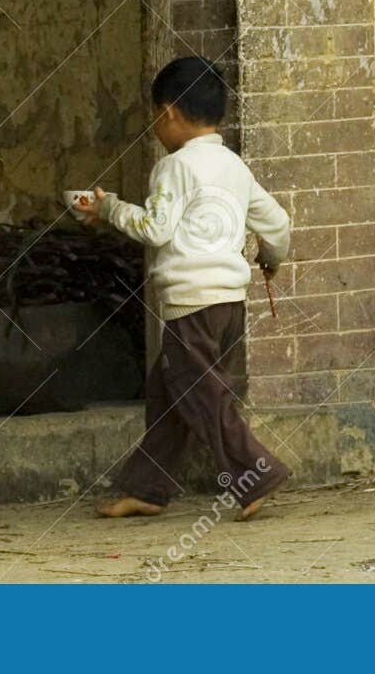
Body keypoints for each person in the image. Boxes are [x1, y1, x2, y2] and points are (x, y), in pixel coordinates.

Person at [72, 56, 292, 521]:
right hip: (229, 305)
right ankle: (148, 489)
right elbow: (277, 224)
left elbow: (155, 228)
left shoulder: (174, 168)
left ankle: (255, 473)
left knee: (202, 395)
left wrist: (110, 208)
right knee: (169, 394)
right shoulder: (234, 167)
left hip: (191, 306)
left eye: (155, 117)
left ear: (167, 112)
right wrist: (270, 260)